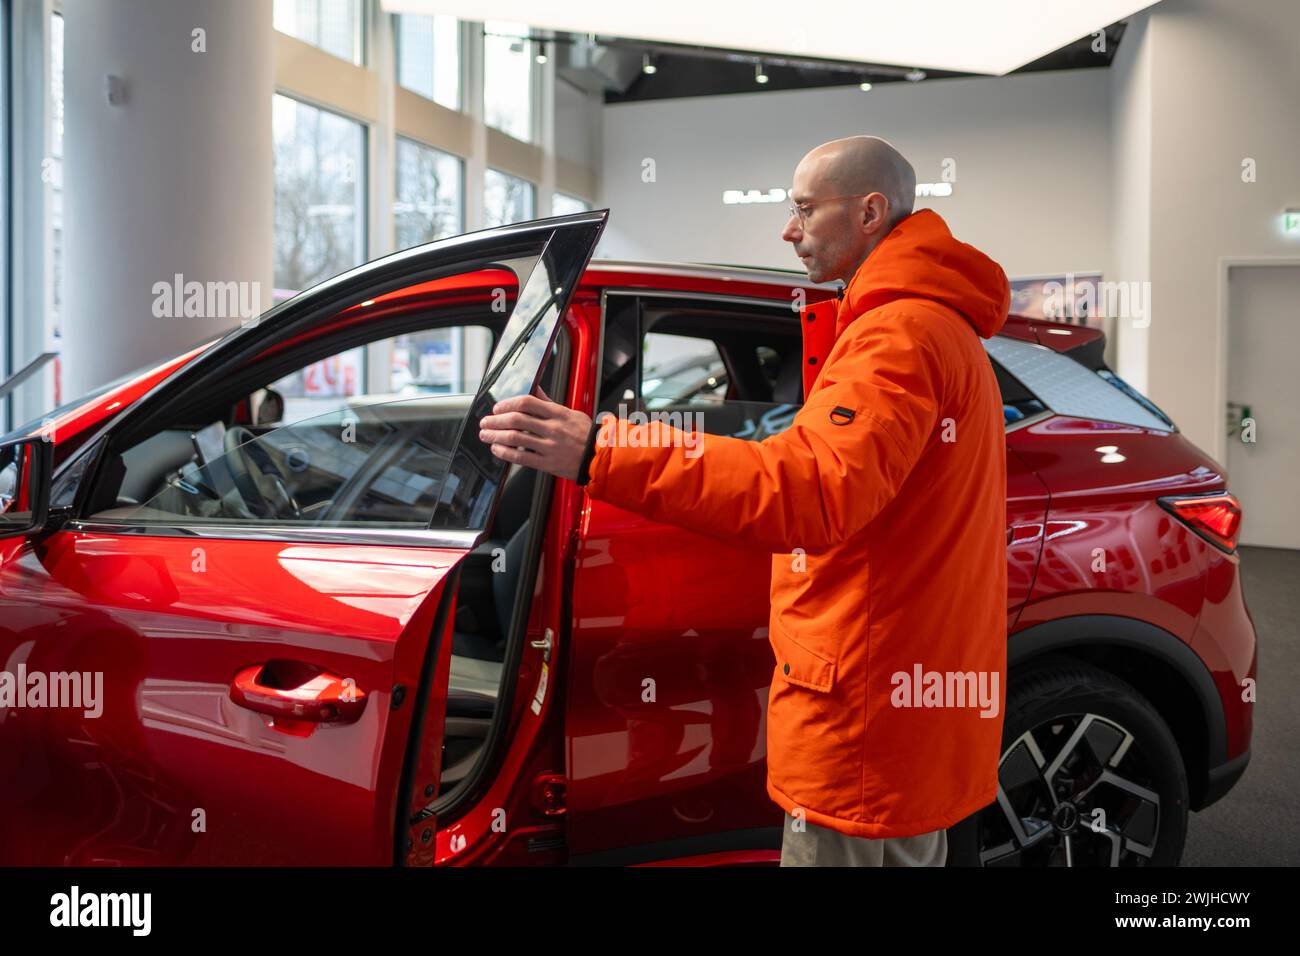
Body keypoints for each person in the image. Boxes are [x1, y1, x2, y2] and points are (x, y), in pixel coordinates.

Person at [479, 135, 1010, 867]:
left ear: (870, 211)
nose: (787, 230)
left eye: (802, 209)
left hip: (865, 722)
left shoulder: (899, 335)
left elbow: (809, 490)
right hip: (893, 706)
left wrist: (600, 450)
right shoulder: (932, 325)